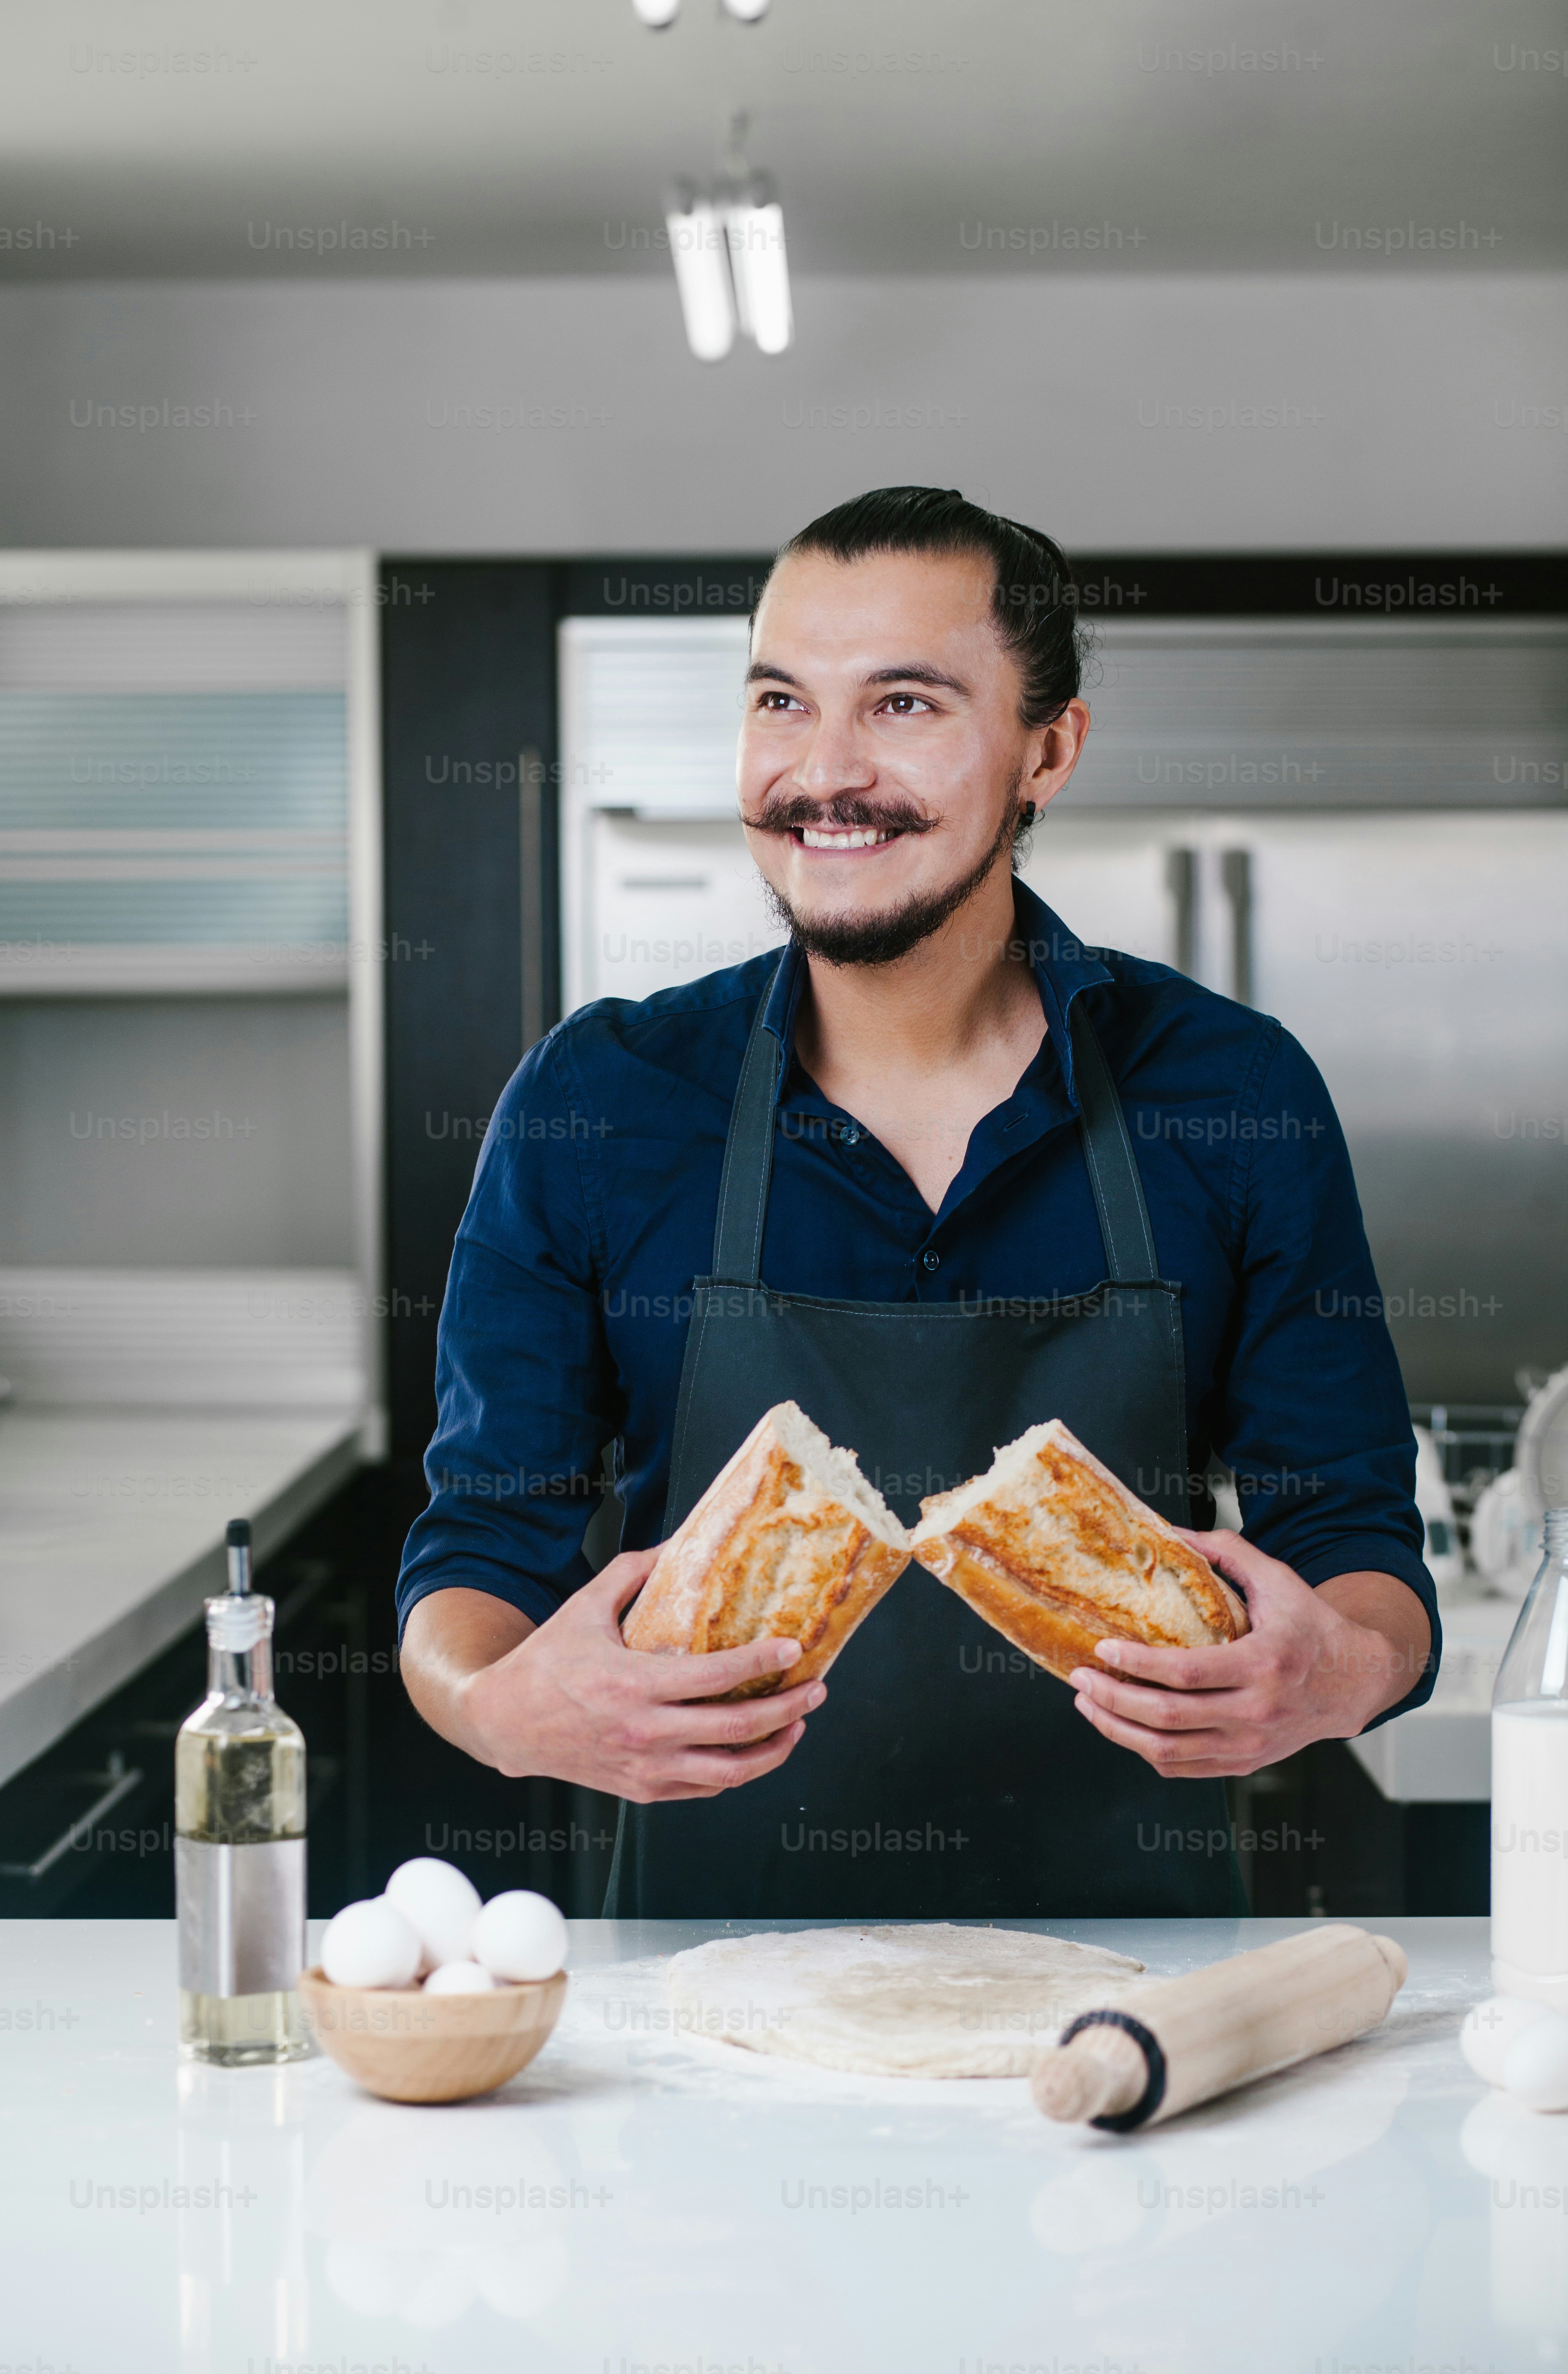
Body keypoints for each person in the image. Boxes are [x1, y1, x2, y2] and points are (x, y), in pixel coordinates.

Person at [396, 484, 1438, 1918]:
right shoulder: (601, 1101)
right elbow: (476, 1555)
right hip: (707, 2002)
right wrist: (497, 1708)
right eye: (780, 701)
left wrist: (1334, 1675)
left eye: (903, 706)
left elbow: (1362, 1547)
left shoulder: (1230, 1092)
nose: (824, 772)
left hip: (1142, 2001)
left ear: (1047, 750)